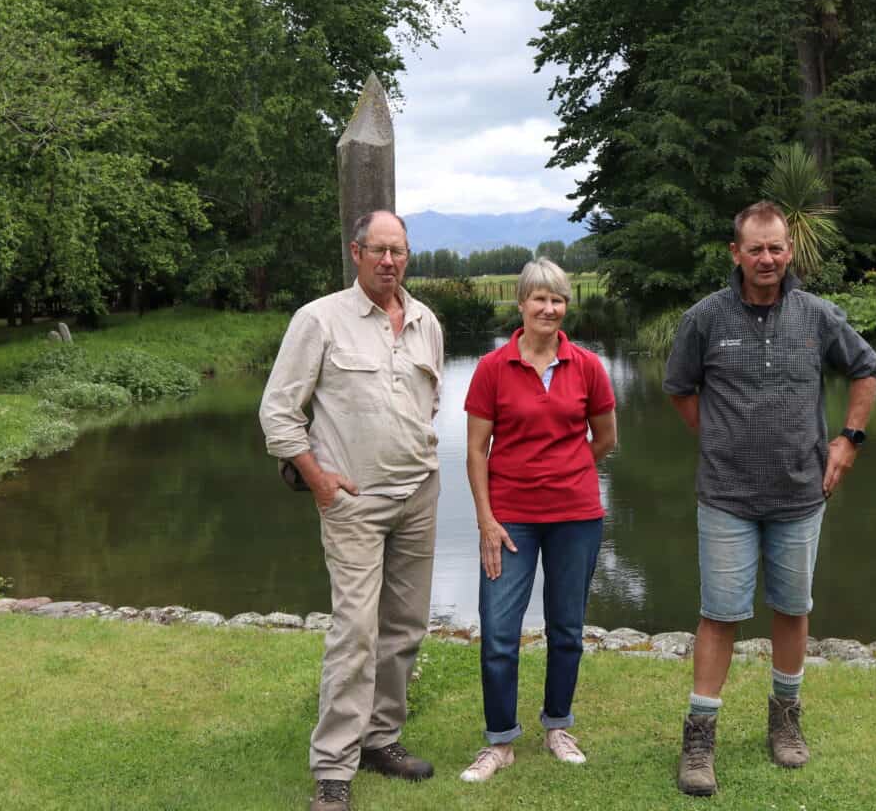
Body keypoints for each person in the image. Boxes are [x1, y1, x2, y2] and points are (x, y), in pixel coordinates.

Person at [663, 201, 876, 796]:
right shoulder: (704, 319)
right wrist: (720, 435)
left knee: (792, 606)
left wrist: (848, 441)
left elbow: (866, 369)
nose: (767, 258)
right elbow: (679, 389)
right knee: (720, 614)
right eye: (755, 248)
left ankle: (785, 720)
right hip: (726, 496)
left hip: (800, 495)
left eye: (776, 248)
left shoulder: (818, 316)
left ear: (790, 251)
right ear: (735, 253)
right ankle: (699, 737)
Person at [258, 211, 445, 811]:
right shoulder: (318, 320)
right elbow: (278, 413)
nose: (389, 261)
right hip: (352, 503)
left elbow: (428, 405)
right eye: (378, 251)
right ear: (356, 252)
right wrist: (316, 479)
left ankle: (381, 739)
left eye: (399, 252)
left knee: (405, 628)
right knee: (356, 632)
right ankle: (333, 770)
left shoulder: (425, 323)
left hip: (418, 494)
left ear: (407, 257)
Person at [456, 257, 618, 784]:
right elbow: (476, 451)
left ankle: (557, 727)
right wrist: (485, 519)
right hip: (510, 522)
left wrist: (567, 470)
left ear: (566, 305)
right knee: (500, 633)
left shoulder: (589, 366)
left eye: (558, 299)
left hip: (576, 518)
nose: (549, 308)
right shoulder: (491, 369)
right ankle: (500, 742)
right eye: (539, 298)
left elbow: (606, 439)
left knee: (567, 630)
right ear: (521, 304)